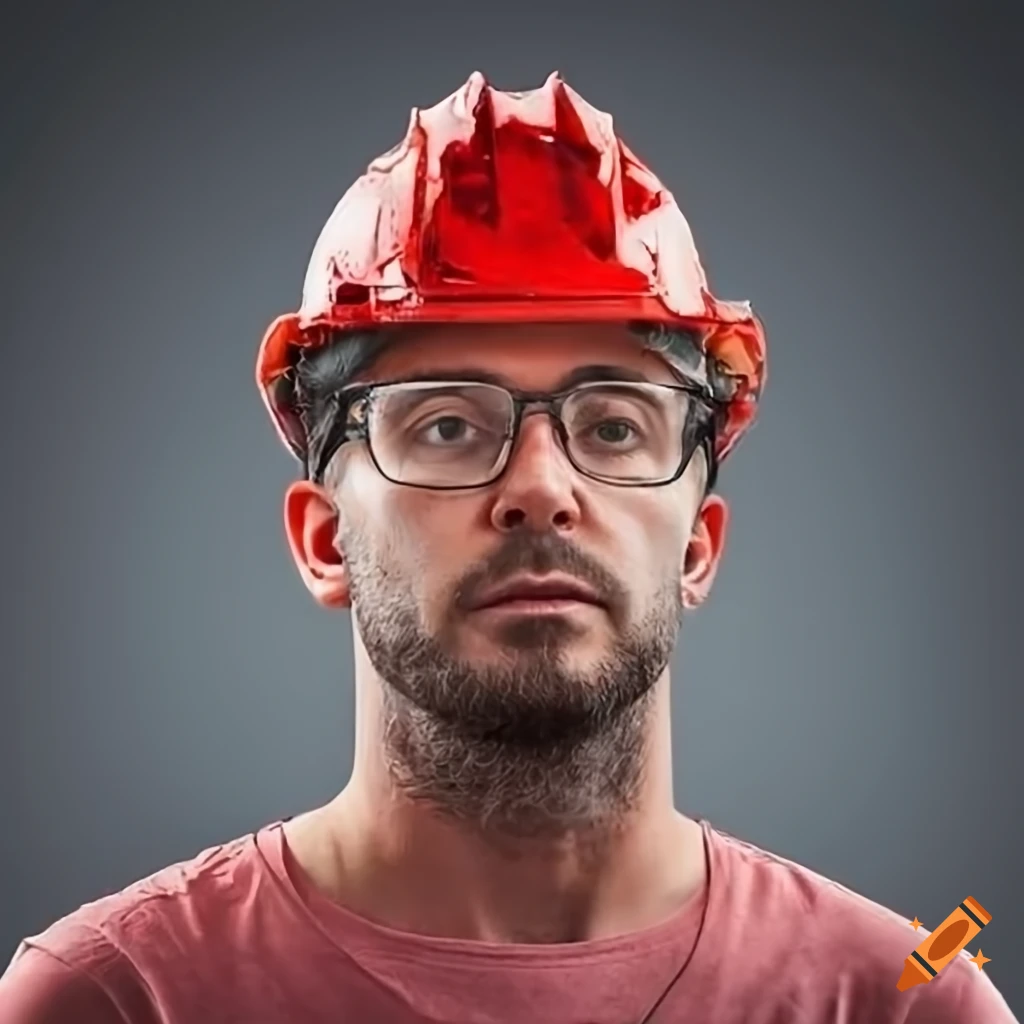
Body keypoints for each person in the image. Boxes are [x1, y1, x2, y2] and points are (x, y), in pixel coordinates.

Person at [0, 72, 1015, 1024]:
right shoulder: (117, 999)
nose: (540, 488)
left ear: (697, 548)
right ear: (323, 541)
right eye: (446, 425)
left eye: (614, 425)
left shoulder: (899, 1002)